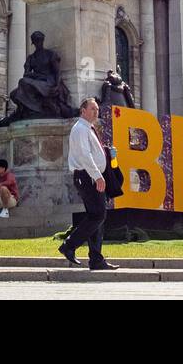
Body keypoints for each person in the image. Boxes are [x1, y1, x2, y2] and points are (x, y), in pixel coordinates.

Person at [57, 98, 117, 271]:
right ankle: (69, 245)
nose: (96, 112)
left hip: (90, 176)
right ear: (83, 110)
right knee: (98, 215)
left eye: (97, 109)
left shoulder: (88, 129)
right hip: (87, 176)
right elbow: (84, 155)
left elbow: (91, 153)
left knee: (97, 217)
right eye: (92, 109)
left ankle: (96, 260)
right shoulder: (80, 129)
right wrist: (98, 176)